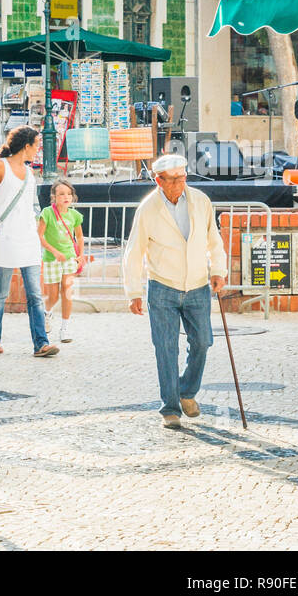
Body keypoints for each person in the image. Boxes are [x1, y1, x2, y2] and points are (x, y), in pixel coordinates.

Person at [123, 152, 227, 429]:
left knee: (203, 342)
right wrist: (133, 290)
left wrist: (218, 269)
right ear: (158, 180)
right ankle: (170, 407)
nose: (180, 184)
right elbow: (134, 252)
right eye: (173, 180)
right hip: (162, 287)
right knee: (166, 348)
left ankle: (186, 392)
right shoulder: (147, 209)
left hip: (197, 285)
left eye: (183, 177)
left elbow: (213, 239)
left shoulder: (200, 201)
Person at [0, 126, 59, 358]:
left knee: (35, 294)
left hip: (28, 239)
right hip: (6, 237)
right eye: (36, 145)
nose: (38, 150)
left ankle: (41, 344)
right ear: (26, 146)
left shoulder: (29, 173)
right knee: (1, 293)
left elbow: (30, 208)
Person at [37, 179, 83, 345]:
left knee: (67, 291)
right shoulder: (47, 213)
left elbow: (79, 236)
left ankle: (65, 328)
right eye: (62, 194)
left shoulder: (75, 215)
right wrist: (54, 252)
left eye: (69, 194)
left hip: (69, 258)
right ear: (54, 197)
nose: (66, 197)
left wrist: (81, 255)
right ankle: (47, 312)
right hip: (51, 260)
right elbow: (40, 236)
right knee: (53, 296)